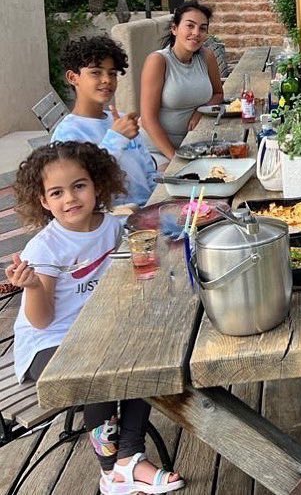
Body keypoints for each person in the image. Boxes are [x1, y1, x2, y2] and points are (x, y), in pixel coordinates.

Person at [6, 141, 184, 495]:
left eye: (79, 186)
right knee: (96, 369)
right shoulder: (46, 247)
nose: (70, 198)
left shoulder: (112, 227)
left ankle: (128, 459)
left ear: (97, 185)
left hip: (97, 331)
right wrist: (33, 287)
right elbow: (41, 321)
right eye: (56, 192)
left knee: (148, 351)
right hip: (47, 346)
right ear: (43, 201)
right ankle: (111, 470)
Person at [51, 35, 157, 208]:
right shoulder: (68, 134)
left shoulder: (121, 120)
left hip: (149, 211)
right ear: (73, 77)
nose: (107, 80)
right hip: (114, 219)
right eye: (96, 72)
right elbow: (81, 186)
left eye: (112, 73)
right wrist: (117, 138)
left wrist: (158, 203)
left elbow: (148, 170)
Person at [140, 0, 224, 162]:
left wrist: (201, 110)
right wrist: (175, 158)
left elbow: (218, 93)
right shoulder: (158, 61)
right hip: (157, 150)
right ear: (174, 29)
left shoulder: (206, 57)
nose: (196, 33)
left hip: (195, 145)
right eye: (190, 26)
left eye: (202, 28)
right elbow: (147, 119)